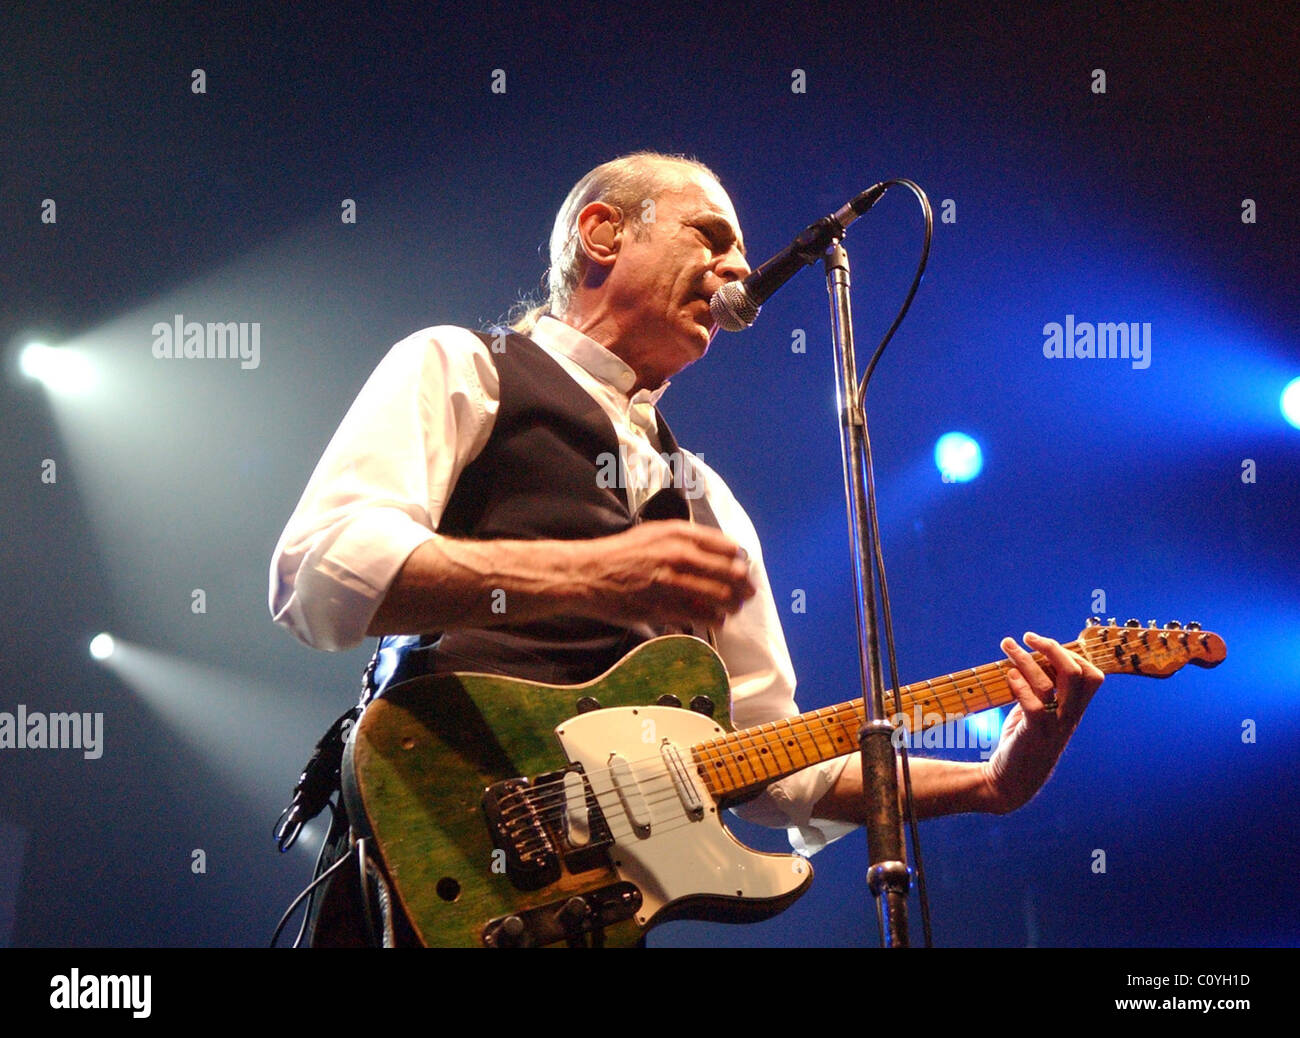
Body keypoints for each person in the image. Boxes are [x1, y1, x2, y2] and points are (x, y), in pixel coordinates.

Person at [268, 151, 1105, 944]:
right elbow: (321, 573)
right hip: (431, 857)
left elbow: (779, 769)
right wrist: (583, 572)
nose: (741, 270)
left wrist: (992, 785)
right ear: (603, 233)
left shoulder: (708, 500)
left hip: (583, 914)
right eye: (711, 236)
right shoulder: (462, 366)